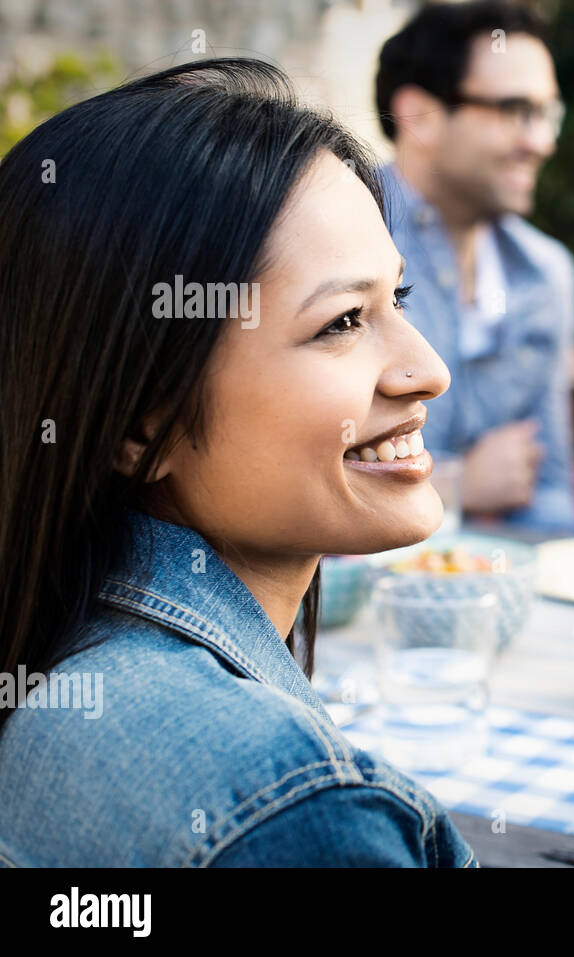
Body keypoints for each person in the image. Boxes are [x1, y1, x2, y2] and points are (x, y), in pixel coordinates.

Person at [0, 59, 474, 867]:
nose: (428, 368)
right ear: (142, 425)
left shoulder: (57, 659)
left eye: (400, 299)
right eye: (342, 321)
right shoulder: (291, 808)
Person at [375, 0, 574, 536]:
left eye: (547, 114)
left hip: (491, 593)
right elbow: (297, 482)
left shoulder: (547, 273)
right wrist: (457, 483)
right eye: (515, 111)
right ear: (418, 116)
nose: (541, 142)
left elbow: (550, 491)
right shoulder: (334, 248)